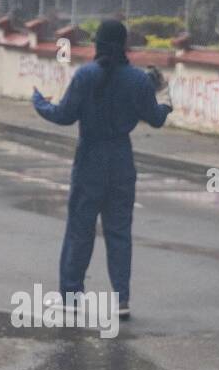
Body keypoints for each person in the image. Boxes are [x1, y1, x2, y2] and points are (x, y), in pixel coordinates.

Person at [32, 19, 172, 321]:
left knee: (79, 230)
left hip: (90, 157)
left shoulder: (86, 76)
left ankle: (71, 296)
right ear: (125, 45)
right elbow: (157, 118)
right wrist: (165, 96)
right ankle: (121, 299)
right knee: (119, 231)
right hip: (122, 159)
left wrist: (39, 103)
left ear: (97, 45)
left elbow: (64, 115)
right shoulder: (138, 80)